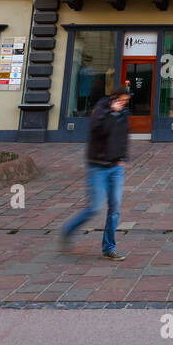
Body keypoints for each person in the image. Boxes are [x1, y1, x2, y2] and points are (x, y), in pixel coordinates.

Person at [59, 91, 130, 260]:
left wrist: (122, 157)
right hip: (97, 166)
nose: (123, 104)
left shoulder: (123, 114)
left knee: (114, 209)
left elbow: (123, 137)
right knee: (94, 208)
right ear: (113, 98)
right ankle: (68, 230)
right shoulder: (100, 111)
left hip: (115, 167)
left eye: (126, 101)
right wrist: (112, 113)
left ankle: (109, 248)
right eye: (121, 100)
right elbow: (99, 131)